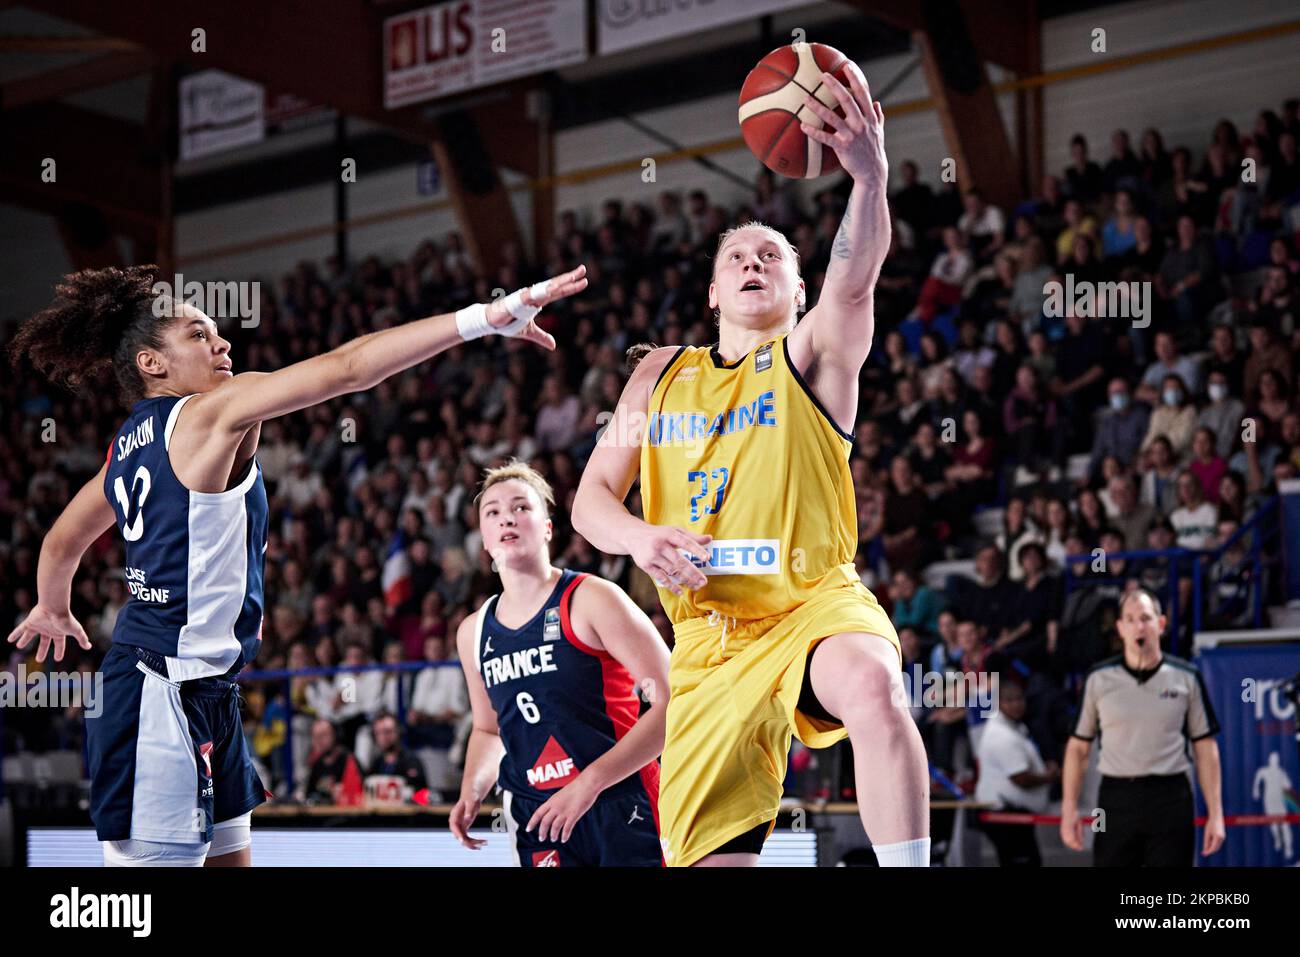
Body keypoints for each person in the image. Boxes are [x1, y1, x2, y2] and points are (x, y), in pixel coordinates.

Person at [4, 262, 586, 867]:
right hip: (158, 690)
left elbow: (60, 543)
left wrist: (53, 605)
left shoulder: (128, 447)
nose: (221, 341)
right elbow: (349, 368)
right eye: (198, 335)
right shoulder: (209, 413)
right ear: (153, 364)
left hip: (210, 691)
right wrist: (481, 319)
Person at [574, 64, 930, 869]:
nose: (754, 263)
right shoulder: (658, 372)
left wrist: (869, 180)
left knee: (874, 686)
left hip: (809, 601)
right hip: (705, 638)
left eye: (772, 254)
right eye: (738, 254)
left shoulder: (815, 354)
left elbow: (855, 276)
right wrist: (638, 537)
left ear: (798, 290)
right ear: (712, 289)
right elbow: (591, 500)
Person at [450, 462, 669, 867]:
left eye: (521, 507)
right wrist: (472, 790)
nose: (507, 518)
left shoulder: (592, 598)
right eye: (492, 512)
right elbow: (487, 727)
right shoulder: (473, 632)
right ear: (482, 538)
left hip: (621, 799)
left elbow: (675, 703)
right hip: (540, 813)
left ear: (548, 527)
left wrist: (589, 784)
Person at [1060, 588, 1226, 866]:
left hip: (1171, 796)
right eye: (1131, 619)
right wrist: (1069, 809)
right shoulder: (1099, 680)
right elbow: (1078, 747)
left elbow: (1205, 747)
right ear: (1120, 628)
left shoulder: (1186, 678)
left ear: (1161, 625)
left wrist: (1216, 813)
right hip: (1115, 797)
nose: (1140, 626)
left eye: (1146, 618)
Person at [974, 678, 1058, 866]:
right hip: (1004, 814)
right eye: (1009, 700)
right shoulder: (1001, 735)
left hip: (1012, 814)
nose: (1016, 705)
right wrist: (1050, 776)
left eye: (1019, 699)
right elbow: (1021, 778)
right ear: (998, 703)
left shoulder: (1014, 727)